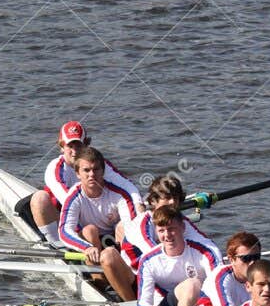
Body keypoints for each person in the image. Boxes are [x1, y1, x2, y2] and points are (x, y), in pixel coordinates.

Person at [29, 121, 141, 244]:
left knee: (129, 218)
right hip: (70, 219)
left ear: (86, 145)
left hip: (96, 219)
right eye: (70, 146)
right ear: (62, 147)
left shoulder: (97, 164)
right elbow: (68, 201)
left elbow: (126, 185)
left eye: (78, 146)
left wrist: (138, 204)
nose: (75, 151)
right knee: (39, 198)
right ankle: (57, 244)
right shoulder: (54, 169)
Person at [57, 146, 138, 296]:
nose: (91, 175)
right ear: (77, 174)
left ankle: (129, 276)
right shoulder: (74, 196)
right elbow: (64, 231)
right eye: (86, 170)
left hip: (115, 243)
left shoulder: (118, 194)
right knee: (89, 230)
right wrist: (86, 247)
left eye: (96, 169)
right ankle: (101, 284)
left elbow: (132, 226)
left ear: (103, 171)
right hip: (90, 244)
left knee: (123, 227)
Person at [136, 204, 219, 306]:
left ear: (183, 227)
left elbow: (218, 287)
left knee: (193, 286)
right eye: (161, 231)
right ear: (156, 232)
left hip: (201, 305)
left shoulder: (205, 252)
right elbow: (143, 303)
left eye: (171, 229)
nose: (167, 235)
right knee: (192, 284)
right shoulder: (148, 260)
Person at [117, 174, 219, 272]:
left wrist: (217, 264)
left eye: (175, 197)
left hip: (163, 267)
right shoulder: (142, 224)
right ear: (153, 201)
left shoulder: (179, 221)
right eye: (167, 198)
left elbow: (206, 243)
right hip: (136, 272)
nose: (172, 202)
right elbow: (153, 256)